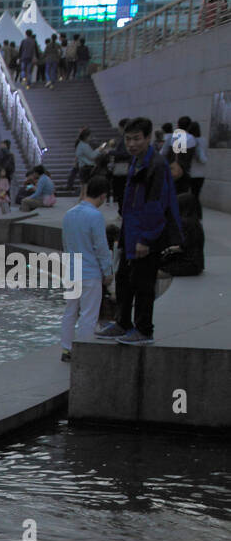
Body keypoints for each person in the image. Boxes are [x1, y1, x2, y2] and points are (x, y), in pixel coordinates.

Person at [97, 117, 182, 346]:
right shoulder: (137, 161)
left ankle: (144, 330)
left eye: (136, 139)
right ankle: (122, 323)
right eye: (128, 139)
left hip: (146, 235)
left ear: (147, 138)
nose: (132, 143)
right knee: (124, 278)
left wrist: (146, 238)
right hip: (131, 230)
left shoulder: (156, 165)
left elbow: (156, 205)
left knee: (143, 283)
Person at [59, 175, 112, 362]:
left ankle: (66, 349)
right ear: (103, 196)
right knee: (89, 314)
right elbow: (101, 247)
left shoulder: (69, 214)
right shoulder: (95, 216)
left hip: (72, 271)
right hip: (90, 273)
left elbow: (65, 244)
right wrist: (108, 271)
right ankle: (84, 352)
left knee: (70, 311)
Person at [160, 194, 203, 277]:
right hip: (197, 263)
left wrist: (167, 250)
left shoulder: (185, 223)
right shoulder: (196, 222)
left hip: (187, 264)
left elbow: (183, 246)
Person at [109, 120, 130, 206]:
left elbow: (125, 153)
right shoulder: (125, 138)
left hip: (123, 168)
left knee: (120, 190)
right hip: (124, 166)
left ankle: (122, 211)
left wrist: (111, 152)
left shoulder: (125, 139)